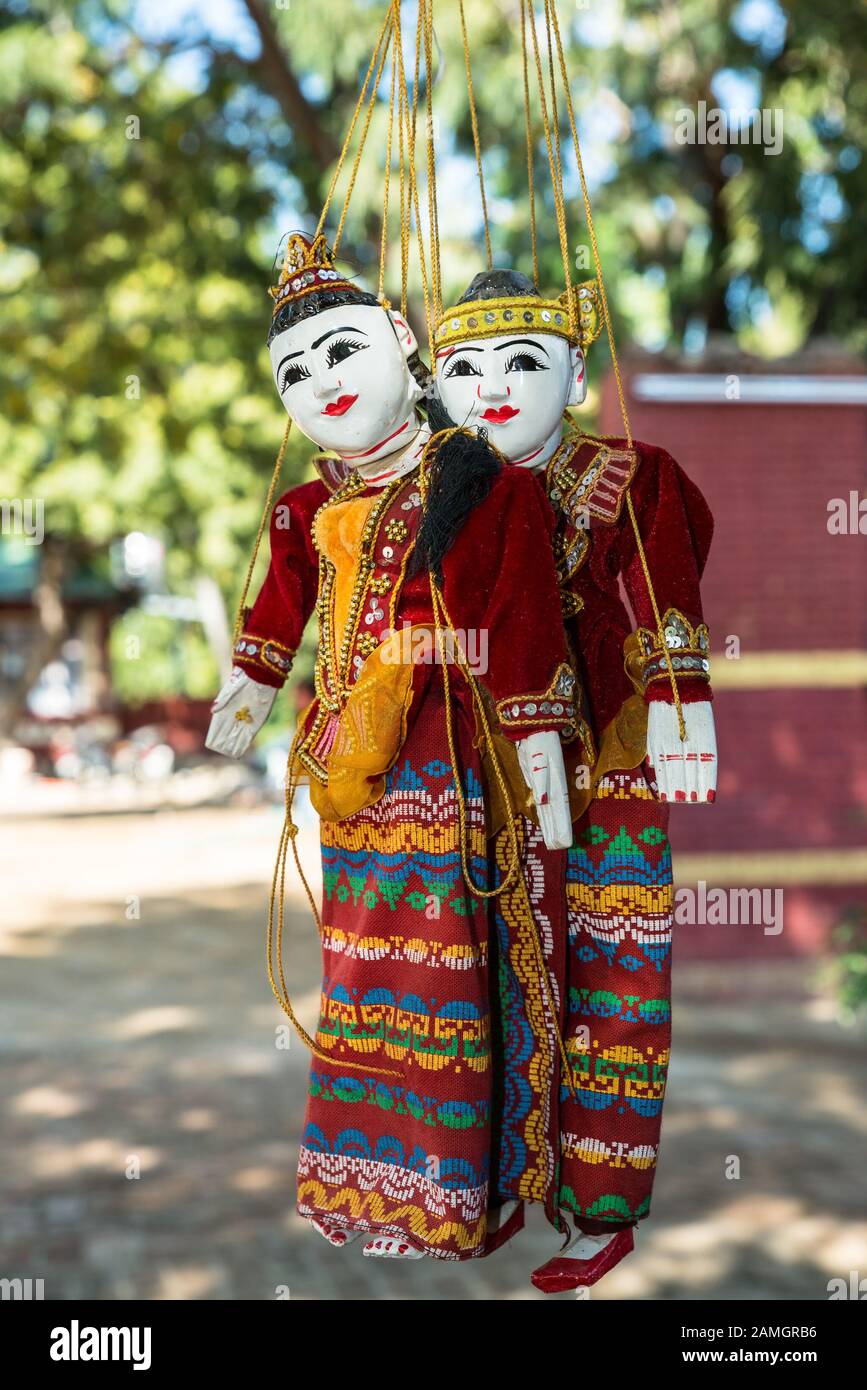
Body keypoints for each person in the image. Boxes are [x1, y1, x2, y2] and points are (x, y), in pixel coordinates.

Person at [206, 234, 579, 1262]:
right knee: (361, 976)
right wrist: (247, 685)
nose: (320, 381)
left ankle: (451, 1191)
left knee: (446, 979)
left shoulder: (479, 482)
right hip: (347, 780)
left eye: (337, 350)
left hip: (446, 766)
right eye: (295, 371)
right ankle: (365, 1185)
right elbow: (275, 621)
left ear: (400, 339)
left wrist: (538, 735)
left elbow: (522, 617)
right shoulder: (306, 509)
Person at [435, 267, 716, 1290]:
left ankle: (601, 1204)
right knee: (494, 975)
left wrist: (683, 703)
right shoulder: (449, 490)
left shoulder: (631, 481)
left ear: (575, 366)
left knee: (616, 976)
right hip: (486, 775)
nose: (492, 388)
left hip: (613, 768)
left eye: (522, 362)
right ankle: (503, 1179)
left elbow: (663, 595)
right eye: (462, 369)